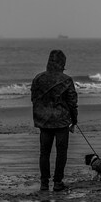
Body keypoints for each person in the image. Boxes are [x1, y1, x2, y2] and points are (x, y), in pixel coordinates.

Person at [31, 49, 78, 192]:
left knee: (44, 153)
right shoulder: (66, 80)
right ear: (62, 63)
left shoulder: (38, 78)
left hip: (43, 121)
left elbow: (34, 99)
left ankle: (44, 183)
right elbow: (72, 102)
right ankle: (58, 183)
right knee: (61, 152)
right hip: (61, 121)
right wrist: (74, 120)